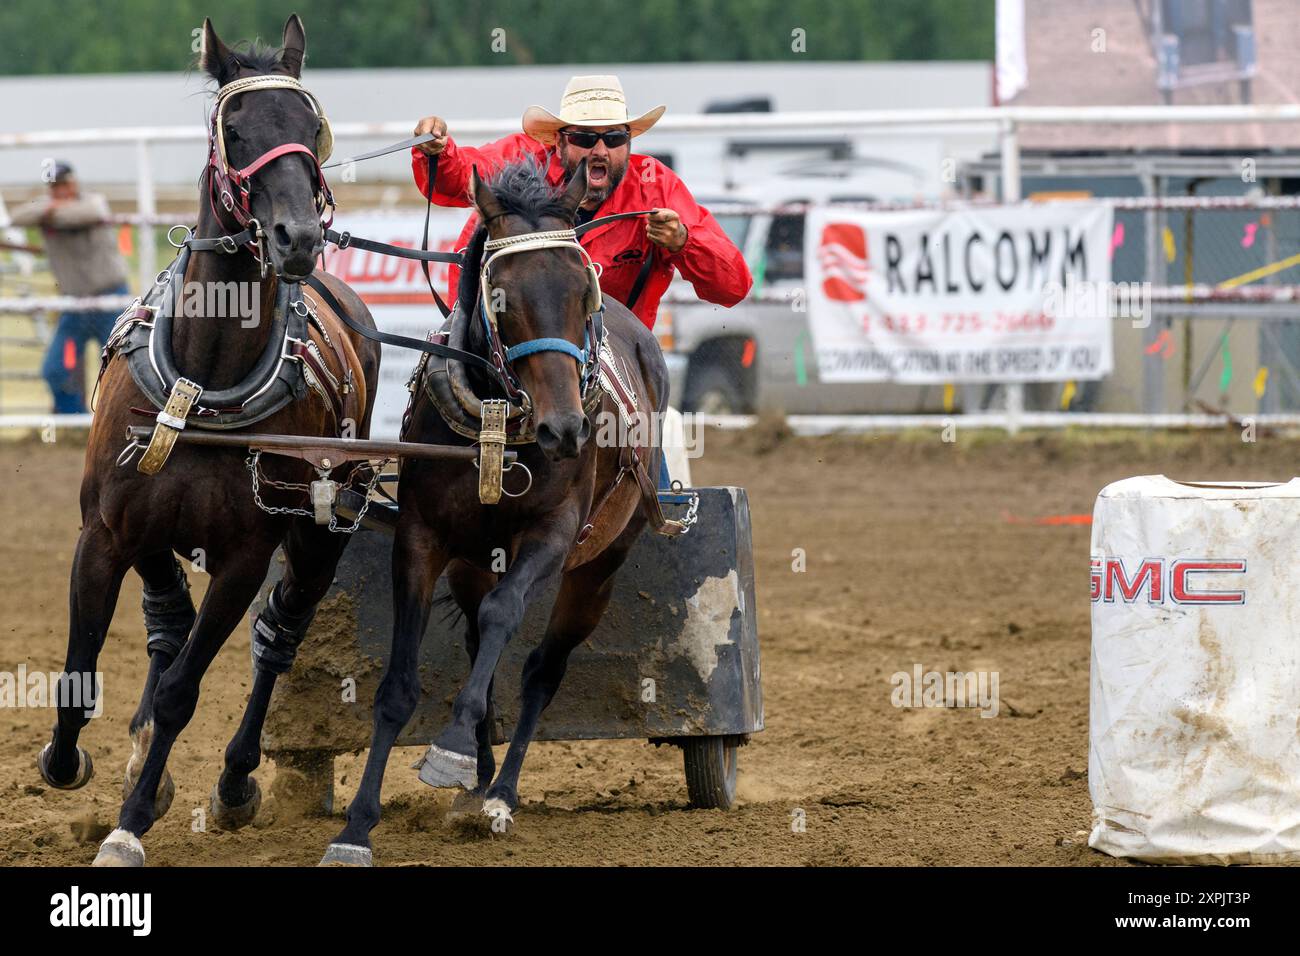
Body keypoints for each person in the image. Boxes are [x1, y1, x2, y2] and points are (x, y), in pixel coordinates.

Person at [410, 75, 752, 330]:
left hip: (612, 355)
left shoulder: (656, 185)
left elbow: (733, 286)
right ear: (560, 141)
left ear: (629, 142)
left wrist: (683, 242)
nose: (600, 150)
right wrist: (438, 149)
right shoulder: (521, 159)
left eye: (615, 137)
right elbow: (455, 180)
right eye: (586, 137)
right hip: (507, 340)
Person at [8, 161, 129, 413]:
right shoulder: (47, 207)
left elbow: (88, 214)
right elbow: (18, 217)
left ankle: (116, 424)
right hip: (74, 306)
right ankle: (75, 421)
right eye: (54, 187)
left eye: (63, 185)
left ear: (73, 183)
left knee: (122, 370)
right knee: (56, 369)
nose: (59, 191)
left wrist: (49, 212)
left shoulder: (93, 201)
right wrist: (51, 209)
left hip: (110, 299)